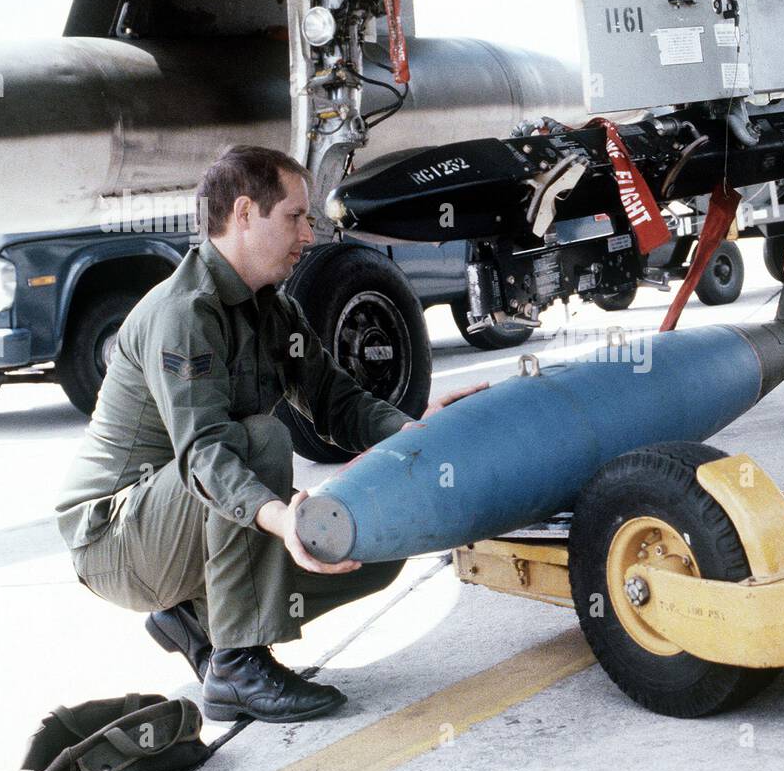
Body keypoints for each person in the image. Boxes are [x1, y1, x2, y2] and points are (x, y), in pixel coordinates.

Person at [55, 145, 486, 723]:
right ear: (242, 214)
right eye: (295, 217)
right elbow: (206, 454)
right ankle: (236, 663)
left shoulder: (270, 309)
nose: (308, 234)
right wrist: (282, 519)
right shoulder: (185, 313)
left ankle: (195, 620)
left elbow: (336, 400)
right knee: (259, 440)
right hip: (114, 537)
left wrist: (417, 428)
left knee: (374, 541)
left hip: (175, 519)